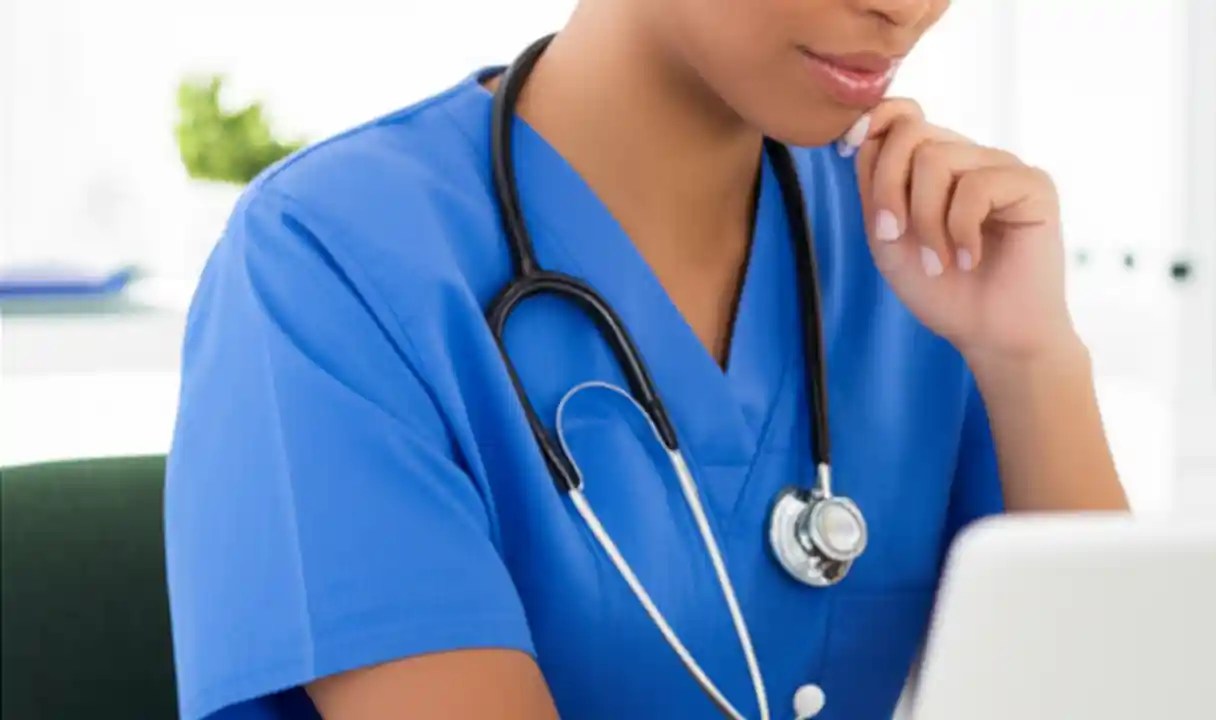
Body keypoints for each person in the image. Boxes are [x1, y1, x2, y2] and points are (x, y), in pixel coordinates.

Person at [164, 0, 1129, 718]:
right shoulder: (327, 263)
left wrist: (1033, 360)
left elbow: (1115, 690)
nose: (906, 7)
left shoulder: (916, 255)